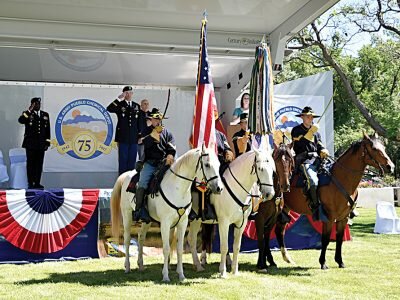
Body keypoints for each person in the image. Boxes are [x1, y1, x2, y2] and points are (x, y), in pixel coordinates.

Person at [133, 108, 176, 223]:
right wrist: (153, 135)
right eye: (154, 119)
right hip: (150, 163)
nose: (156, 121)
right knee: (142, 182)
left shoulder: (168, 133)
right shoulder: (146, 131)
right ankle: (139, 210)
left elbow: (172, 148)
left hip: (164, 163)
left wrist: (170, 155)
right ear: (151, 120)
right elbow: (144, 143)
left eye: (158, 119)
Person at [291, 106, 329, 220]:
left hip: (317, 160)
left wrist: (323, 149)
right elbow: (300, 144)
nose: (310, 118)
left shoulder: (316, 132)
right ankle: (315, 206)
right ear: (302, 117)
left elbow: (319, 144)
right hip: (304, 159)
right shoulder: (296, 130)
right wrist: (310, 132)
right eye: (307, 116)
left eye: (311, 117)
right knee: (312, 181)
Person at [107, 86, 143, 175]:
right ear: (124, 94)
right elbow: (109, 108)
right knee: (123, 159)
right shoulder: (120, 104)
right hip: (123, 137)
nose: (129, 94)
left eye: (130, 92)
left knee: (132, 159)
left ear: (132, 94)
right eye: (126, 93)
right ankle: (122, 179)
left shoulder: (136, 106)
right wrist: (119, 98)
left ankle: (130, 180)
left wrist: (140, 136)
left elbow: (139, 122)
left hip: (134, 138)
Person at [18, 97, 51, 189]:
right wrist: (29, 110)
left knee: (39, 164)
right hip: (30, 144)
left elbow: (48, 130)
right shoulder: (27, 114)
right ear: (32, 104)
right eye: (35, 104)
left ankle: (37, 182)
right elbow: (21, 120)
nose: (38, 105)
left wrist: (47, 143)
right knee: (31, 164)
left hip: (41, 144)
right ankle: (30, 182)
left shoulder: (45, 115)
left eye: (39, 104)